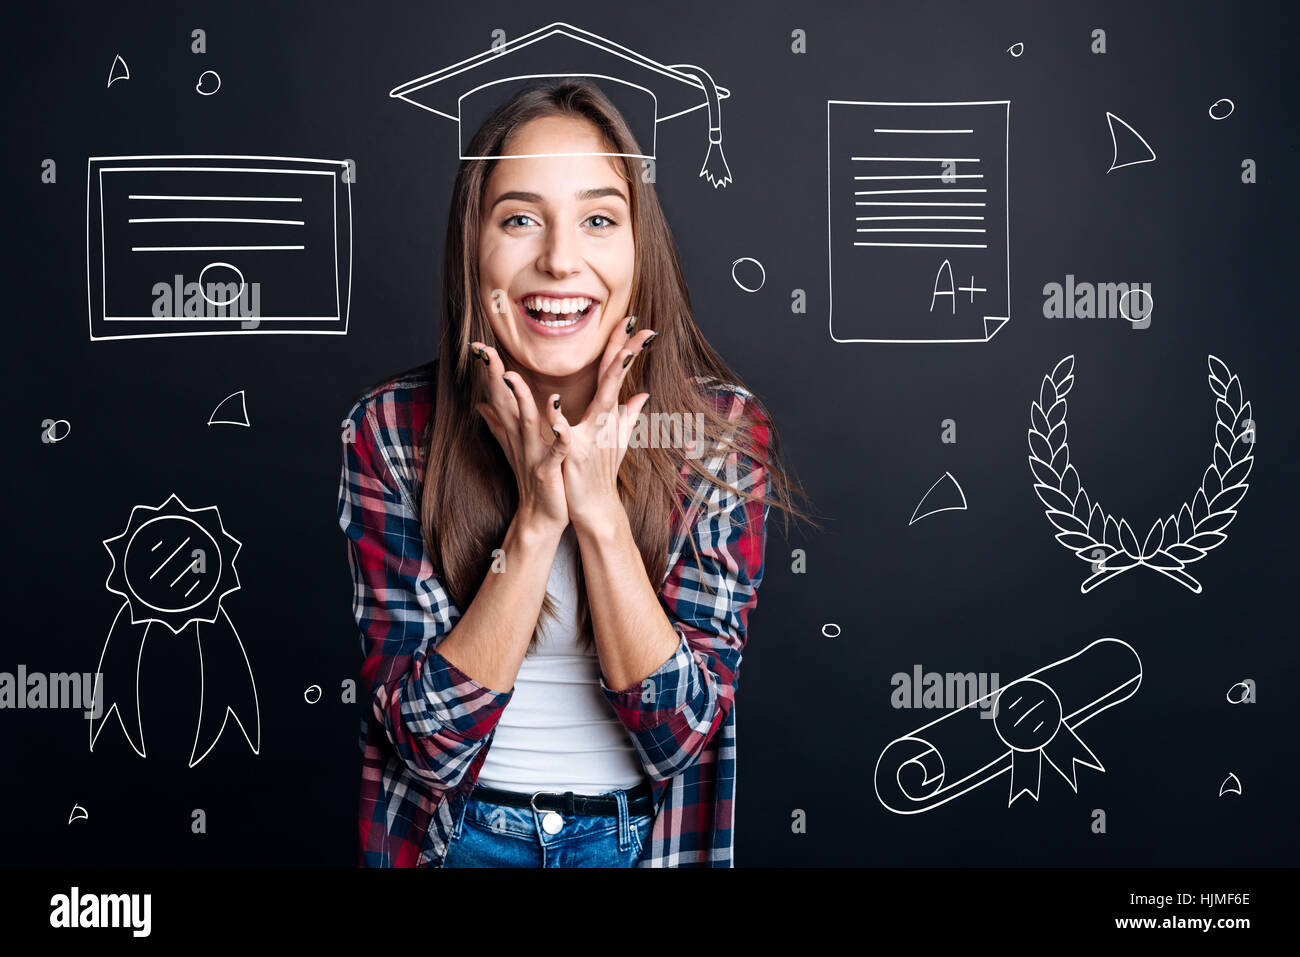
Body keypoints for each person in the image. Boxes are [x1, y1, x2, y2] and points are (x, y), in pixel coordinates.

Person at [337, 78, 807, 867]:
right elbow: (427, 744)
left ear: (636, 249)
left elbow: (679, 735)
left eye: (598, 219)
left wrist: (597, 509)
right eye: (520, 219)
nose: (559, 260)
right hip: (457, 842)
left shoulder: (718, 435)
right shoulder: (390, 430)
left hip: (639, 843)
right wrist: (536, 519)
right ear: (472, 248)